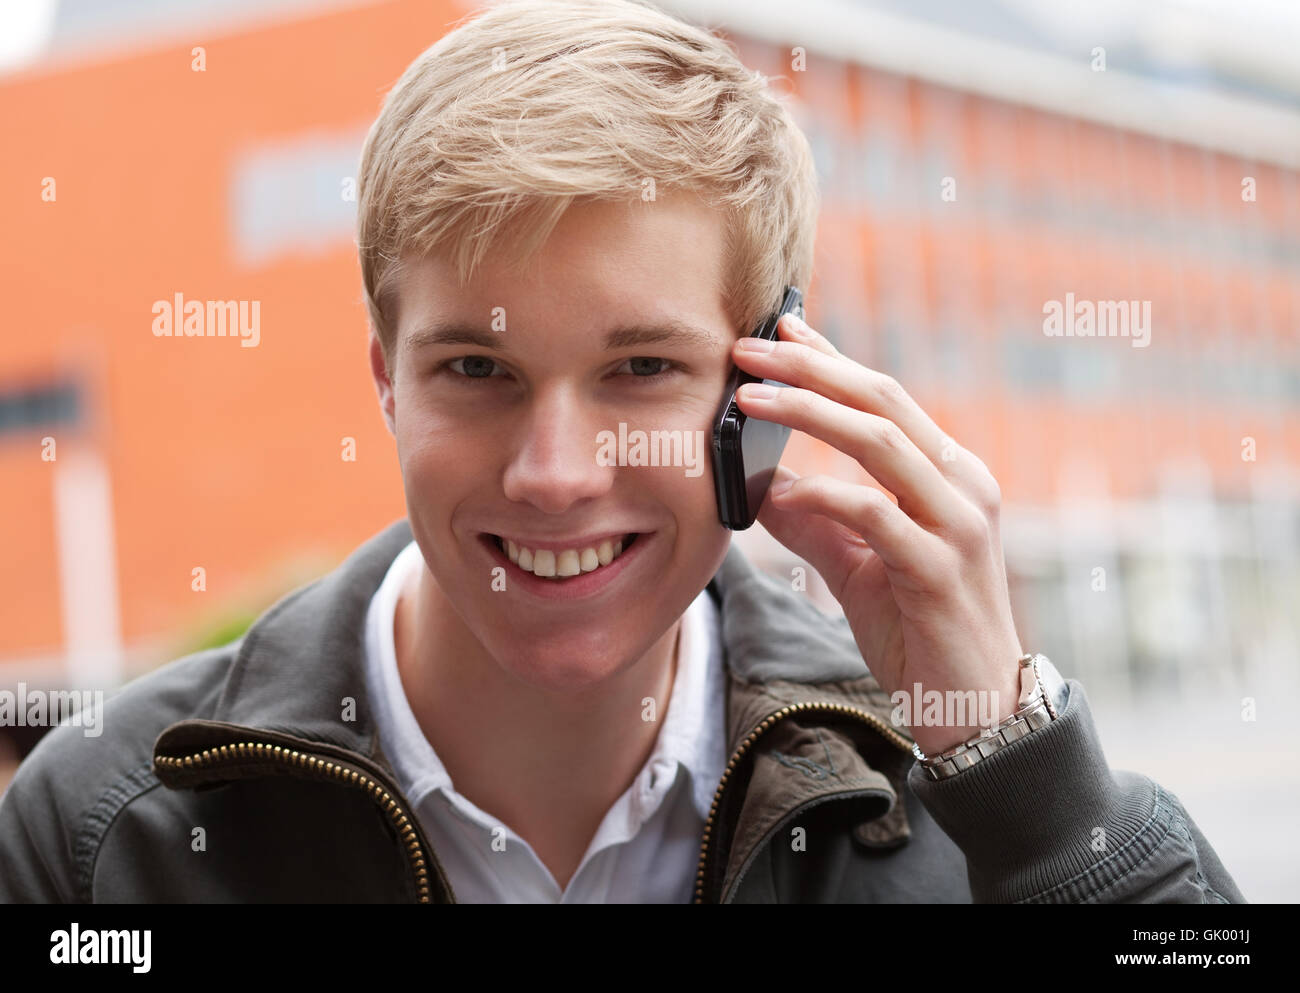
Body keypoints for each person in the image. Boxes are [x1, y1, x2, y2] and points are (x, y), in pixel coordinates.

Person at [0, 0, 1243, 904]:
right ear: (385, 381)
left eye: (639, 368)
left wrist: (1020, 776)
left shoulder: (948, 801)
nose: (553, 473)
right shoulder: (100, 835)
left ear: (768, 387)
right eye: (476, 371)